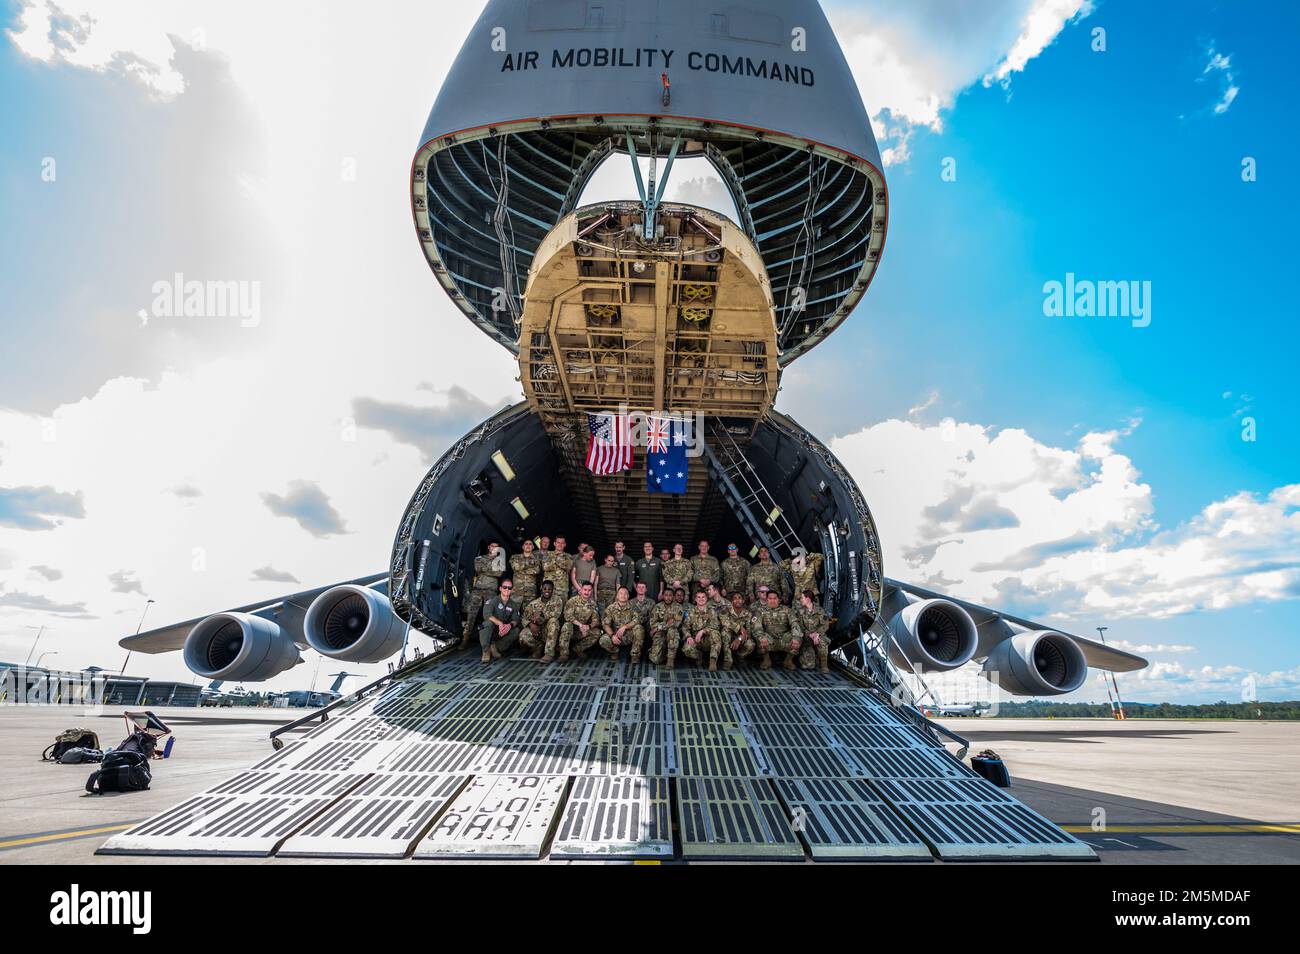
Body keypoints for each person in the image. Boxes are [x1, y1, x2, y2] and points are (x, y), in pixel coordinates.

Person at [462, 541, 507, 645]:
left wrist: (485, 569)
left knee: (490, 615)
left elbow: (499, 573)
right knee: (471, 614)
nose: (494, 548)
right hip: (478, 590)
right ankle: (465, 639)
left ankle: (491, 642)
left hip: (491, 591)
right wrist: (492, 569)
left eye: (497, 546)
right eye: (492, 546)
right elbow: (478, 569)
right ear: (488, 547)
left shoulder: (500, 560)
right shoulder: (479, 558)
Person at [753, 589, 803, 670]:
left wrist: (796, 638)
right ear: (766, 600)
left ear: (779, 600)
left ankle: (788, 661)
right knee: (760, 638)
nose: (772, 601)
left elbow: (795, 623)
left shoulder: (787, 610)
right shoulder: (760, 611)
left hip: (784, 638)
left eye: (775, 598)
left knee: (798, 637)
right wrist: (761, 637)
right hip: (769, 639)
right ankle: (766, 660)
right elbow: (756, 627)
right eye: (770, 598)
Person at [521, 580, 565, 661]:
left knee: (553, 621)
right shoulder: (533, 604)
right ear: (541, 589)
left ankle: (549, 653)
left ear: (553, 590)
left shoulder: (557, 601)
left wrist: (540, 617)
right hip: (538, 631)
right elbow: (524, 618)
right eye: (545, 589)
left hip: (550, 631)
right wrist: (531, 625)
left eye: (549, 589)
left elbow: (556, 615)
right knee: (523, 636)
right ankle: (538, 648)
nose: (547, 591)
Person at [477, 579, 520, 663]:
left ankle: (495, 647)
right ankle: (486, 650)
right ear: (500, 588)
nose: (507, 589)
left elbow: (516, 619)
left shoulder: (513, 604)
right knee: (486, 624)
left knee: (516, 630)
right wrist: (500, 623)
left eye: (509, 588)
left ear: (512, 590)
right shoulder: (492, 601)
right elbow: (487, 615)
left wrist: (509, 626)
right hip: (492, 629)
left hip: (502, 631)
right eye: (505, 587)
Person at [681, 589, 724, 672]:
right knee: (687, 648)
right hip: (696, 640)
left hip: (708, 640)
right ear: (695, 599)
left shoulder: (712, 611)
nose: (701, 599)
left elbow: (716, 625)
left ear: (706, 598)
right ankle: (699, 657)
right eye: (699, 597)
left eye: (703, 597)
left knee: (715, 634)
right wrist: (688, 637)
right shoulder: (690, 612)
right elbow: (685, 627)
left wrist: (703, 631)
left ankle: (713, 661)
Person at [558, 581, 601, 661]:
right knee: (567, 626)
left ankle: (578, 649)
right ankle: (563, 653)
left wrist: (588, 627)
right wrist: (580, 625)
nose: (587, 592)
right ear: (581, 590)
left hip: (583, 630)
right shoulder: (573, 601)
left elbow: (596, 620)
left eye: (589, 590)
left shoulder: (593, 604)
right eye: (585, 589)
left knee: (597, 632)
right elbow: (568, 616)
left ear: (591, 591)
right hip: (572, 628)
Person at [600, 586, 644, 661]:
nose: (623, 596)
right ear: (617, 595)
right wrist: (612, 635)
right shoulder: (611, 608)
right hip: (615, 635)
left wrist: (625, 627)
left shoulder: (634, 607)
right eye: (621, 593)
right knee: (603, 640)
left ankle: (635, 655)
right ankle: (615, 652)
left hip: (628, 635)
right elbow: (605, 624)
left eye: (625, 594)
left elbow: (638, 620)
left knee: (639, 628)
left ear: (628, 596)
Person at [794, 589, 832, 672]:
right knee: (808, 665)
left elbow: (825, 625)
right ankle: (813, 657)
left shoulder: (820, 611)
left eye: (802, 598)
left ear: (808, 599)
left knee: (822, 642)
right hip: (806, 638)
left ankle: (824, 665)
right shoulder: (800, 612)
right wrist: (809, 634)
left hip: (818, 636)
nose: (801, 600)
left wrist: (817, 634)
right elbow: (799, 626)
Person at [647, 588, 685, 668]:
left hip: (673, 633)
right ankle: (663, 653)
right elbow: (653, 624)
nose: (668, 598)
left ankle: (670, 660)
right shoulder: (657, 607)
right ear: (663, 596)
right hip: (660, 634)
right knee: (655, 659)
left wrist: (659, 627)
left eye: (670, 595)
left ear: (673, 596)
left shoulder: (678, 607)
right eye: (666, 595)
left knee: (672, 631)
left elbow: (676, 623)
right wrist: (666, 624)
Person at [720, 592, 756, 668]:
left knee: (751, 644)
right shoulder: (725, 610)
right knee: (725, 631)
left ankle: (739, 657)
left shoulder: (748, 614)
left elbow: (748, 632)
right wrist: (739, 628)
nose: (737, 600)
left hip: (741, 638)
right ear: (732, 601)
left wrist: (739, 638)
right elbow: (724, 622)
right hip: (728, 636)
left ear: (743, 601)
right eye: (735, 598)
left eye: (739, 598)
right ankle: (728, 659)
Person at [510, 538, 542, 604]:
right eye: (526, 544)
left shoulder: (537, 559)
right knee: (513, 612)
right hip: (517, 591)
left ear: (533, 547)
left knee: (528, 613)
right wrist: (530, 566)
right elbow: (515, 567)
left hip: (530, 593)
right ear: (523, 546)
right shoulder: (515, 557)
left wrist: (521, 569)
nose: (528, 545)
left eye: (530, 544)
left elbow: (537, 570)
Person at [542, 535, 574, 601]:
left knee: (561, 609)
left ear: (565, 544)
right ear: (554, 543)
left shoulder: (568, 556)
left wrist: (553, 561)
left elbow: (568, 567)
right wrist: (561, 562)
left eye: (562, 543)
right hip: (548, 588)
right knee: (546, 608)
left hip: (562, 589)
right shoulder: (547, 554)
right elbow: (545, 567)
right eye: (558, 542)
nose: (560, 544)